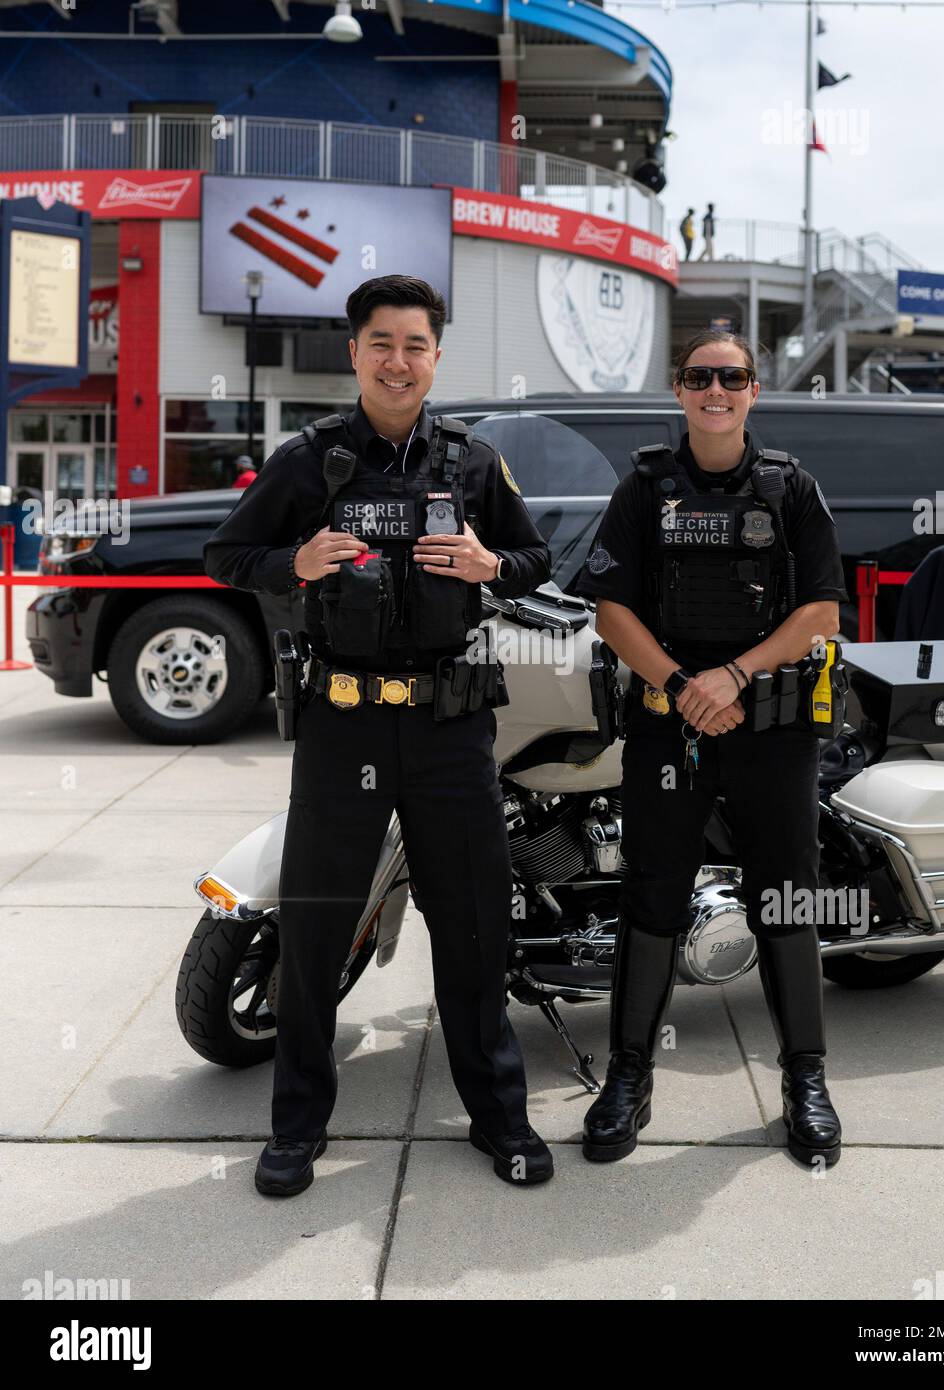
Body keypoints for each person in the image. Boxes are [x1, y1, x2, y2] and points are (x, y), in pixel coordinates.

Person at [203, 274, 554, 1196]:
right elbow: (226, 554)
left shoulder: (473, 463)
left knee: (475, 931)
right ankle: (296, 1129)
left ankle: (499, 1115)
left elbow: (532, 559)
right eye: (382, 344)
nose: (399, 361)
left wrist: (489, 563)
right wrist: (293, 561)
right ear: (354, 352)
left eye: (417, 345)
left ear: (436, 357)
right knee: (316, 930)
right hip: (344, 727)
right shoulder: (309, 459)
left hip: (450, 729)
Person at [574, 329, 847, 1168]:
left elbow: (822, 613)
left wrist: (729, 677)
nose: (715, 390)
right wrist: (683, 688)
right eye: (700, 377)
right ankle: (628, 1077)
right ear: (681, 389)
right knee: (652, 896)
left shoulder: (790, 488)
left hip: (772, 729)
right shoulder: (645, 487)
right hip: (668, 725)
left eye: (731, 377)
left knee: (785, 898)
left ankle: (806, 1079)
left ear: (753, 391)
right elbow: (610, 607)